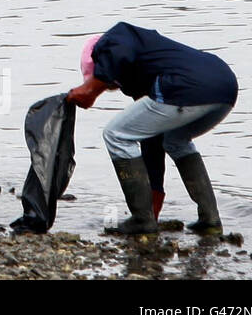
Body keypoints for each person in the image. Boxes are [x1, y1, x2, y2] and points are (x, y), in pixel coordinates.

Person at [68, 22, 237, 236]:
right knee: (174, 141)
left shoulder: (112, 40)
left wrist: (89, 90)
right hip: (224, 88)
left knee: (115, 134)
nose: (113, 87)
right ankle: (210, 220)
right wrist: (154, 202)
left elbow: (118, 49)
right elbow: (152, 143)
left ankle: (141, 219)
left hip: (187, 86)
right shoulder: (148, 73)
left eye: (108, 80)